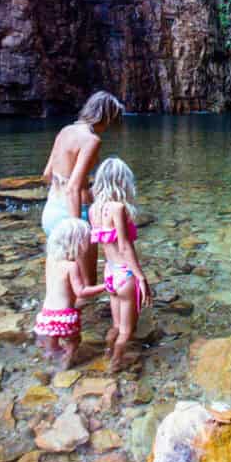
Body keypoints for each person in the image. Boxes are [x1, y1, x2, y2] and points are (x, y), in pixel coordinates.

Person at [41, 91, 124, 283]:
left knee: (63, 281)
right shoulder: (91, 140)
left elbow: (47, 174)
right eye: (112, 120)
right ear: (106, 116)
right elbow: (73, 188)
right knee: (87, 284)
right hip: (73, 216)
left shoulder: (65, 131)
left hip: (51, 211)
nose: (109, 126)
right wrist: (76, 227)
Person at [89, 157, 152, 371]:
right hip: (125, 274)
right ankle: (115, 363)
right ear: (122, 181)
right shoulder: (118, 208)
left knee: (115, 326)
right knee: (127, 330)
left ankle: (107, 352)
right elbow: (125, 247)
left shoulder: (93, 210)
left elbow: (105, 243)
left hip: (109, 273)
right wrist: (141, 278)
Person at [34, 218, 105, 368]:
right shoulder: (71, 266)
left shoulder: (50, 259)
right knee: (74, 341)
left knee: (52, 343)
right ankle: (66, 362)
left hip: (47, 315)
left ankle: (50, 358)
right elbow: (82, 292)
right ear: (77, 244)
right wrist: (105, 286)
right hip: (65, 316)